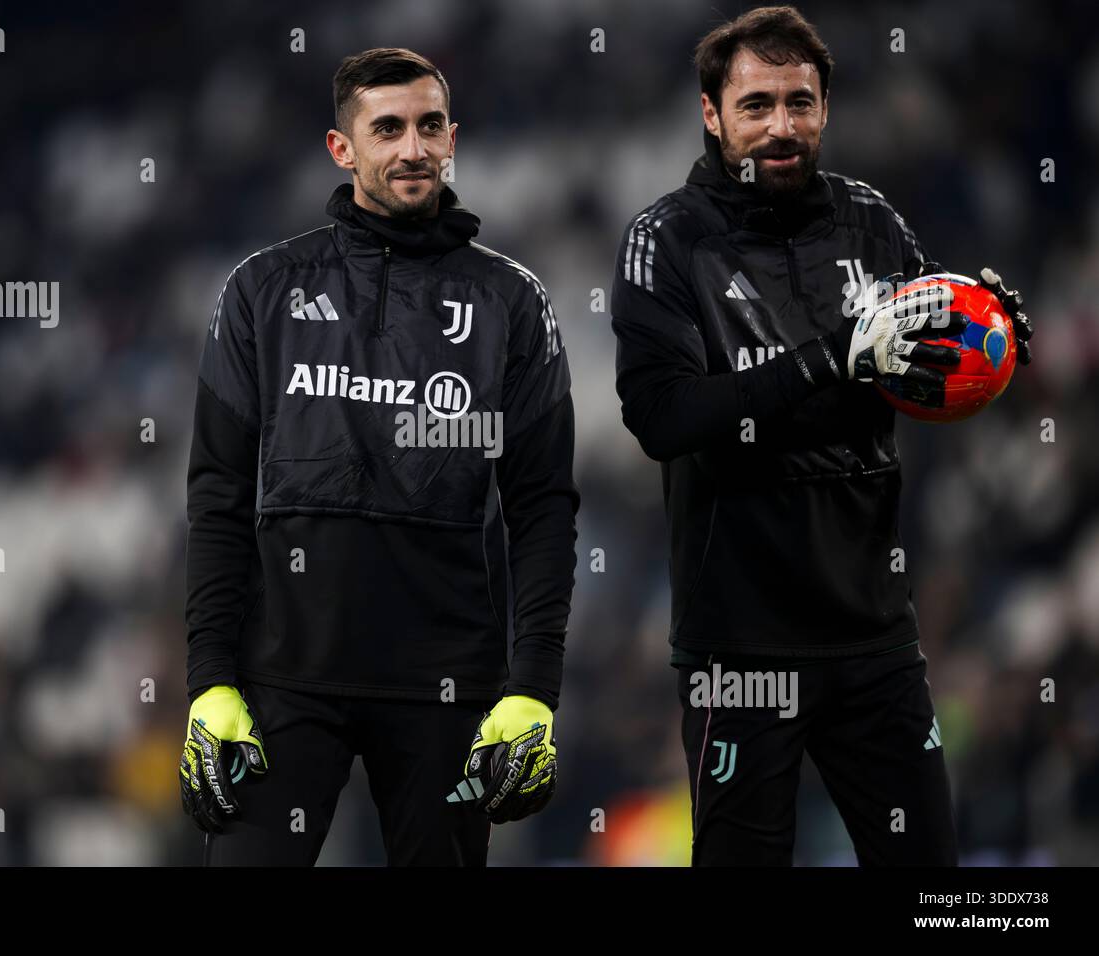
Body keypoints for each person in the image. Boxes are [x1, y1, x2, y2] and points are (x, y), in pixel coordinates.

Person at [610, 6, 1032, 865]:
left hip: (874, 636)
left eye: (799, 102)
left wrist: (988, 338)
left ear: (825, 108)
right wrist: (830, 357)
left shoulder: (873, 222)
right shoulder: (666, 241)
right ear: (711, 114)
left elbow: (932, 359)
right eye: (756, 105)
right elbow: (662, 418)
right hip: (740, 650)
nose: (781, 125)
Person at [180, 47, 579, 866]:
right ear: (343, 147)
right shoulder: (263, 290)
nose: (413, 148)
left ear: (452, 138)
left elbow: (543, 509)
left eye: (430, 126)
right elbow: (217, 497)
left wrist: (534, 689)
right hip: (282, 682)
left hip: (448, 689)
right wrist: (210, 681)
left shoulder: (511, 301)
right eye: (388, 128)